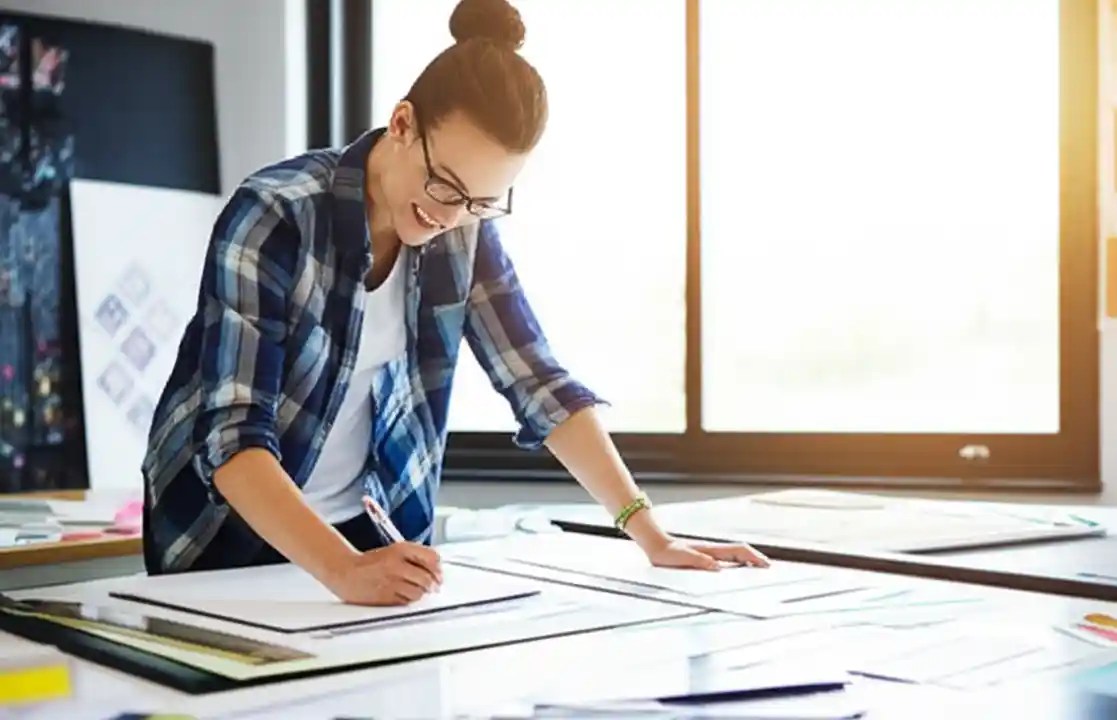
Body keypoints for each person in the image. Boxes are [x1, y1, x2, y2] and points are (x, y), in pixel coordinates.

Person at [141, 0, 768, 606]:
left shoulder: (463, 230)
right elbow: (232, 436)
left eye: (483, 200)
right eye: (445, 185)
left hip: (365, 530)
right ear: (403, 123)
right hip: (226, 532)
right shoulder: (276, 214)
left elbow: (538, 381)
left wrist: (648, 533)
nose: (449, 215)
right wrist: (342, 570)